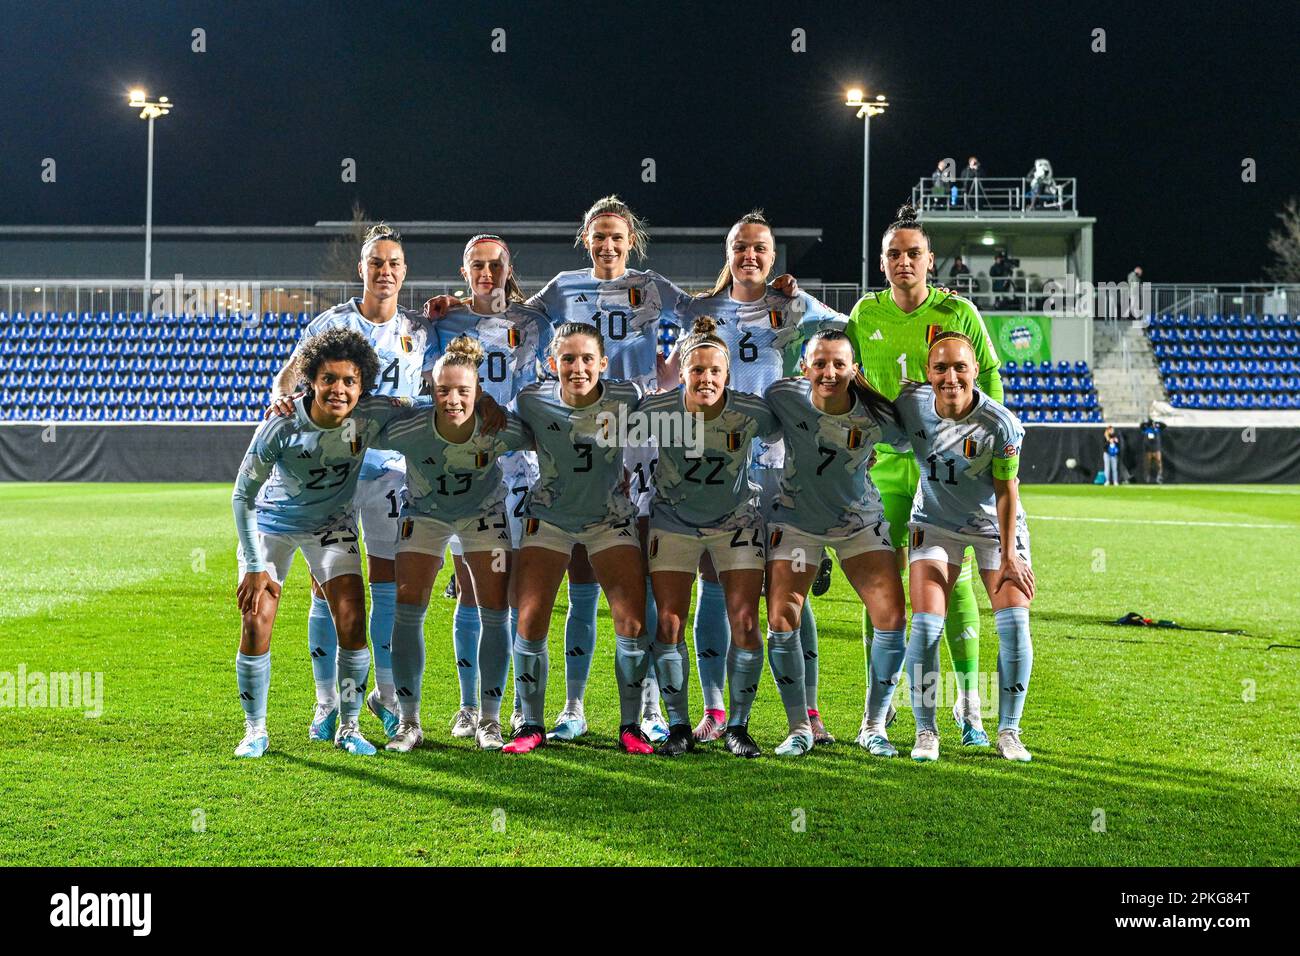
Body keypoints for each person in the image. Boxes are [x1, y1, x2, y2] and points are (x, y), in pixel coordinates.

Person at [677, 210, 845, 743]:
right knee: (713, 581)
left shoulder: (790, 305)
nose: (750, 255)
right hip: (715, 467)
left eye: (760, 248)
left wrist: (813, 376)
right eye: (740, 247)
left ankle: (810, 714)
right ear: (728, 254)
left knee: (786, 588)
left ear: (773, 258)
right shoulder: (702, 311)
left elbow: (844, 333)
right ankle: (715, 710)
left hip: (777, 465)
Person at [844, 203, 1005, 751]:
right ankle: (879, 707)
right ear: (883, 262)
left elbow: (992, 385)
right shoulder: (865, 316)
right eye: (894, 254)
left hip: (947, 472)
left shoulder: (960, 312)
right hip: (885, 469)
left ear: (930, 261)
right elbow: (850, 381)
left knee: (950, 580)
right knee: (881, 584)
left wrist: (982, 453)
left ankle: (967, 702)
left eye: (914, 253)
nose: (904, 262)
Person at [269, 224, 436, 744]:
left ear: (404, 272)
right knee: (329, 584)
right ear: (361, 269)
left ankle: (383, 697)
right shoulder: (332, 322)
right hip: (335, 468)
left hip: (391, 469)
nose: (385, 271)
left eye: (394, 263)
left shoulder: (421, 330)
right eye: (376, 263)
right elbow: (289, 376)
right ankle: (326, 702)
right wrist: (278, 398)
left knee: (385, 582)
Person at [232, 328, 416, 758]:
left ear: (361, 385)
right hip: (273, 525)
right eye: (329, 378)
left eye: (350, 381)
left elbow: (422, 408)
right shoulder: (280, 422)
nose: (339, 389)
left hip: (330, 525)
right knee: (256, 619)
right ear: (312, 379)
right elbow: (242, 496)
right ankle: (254, 730)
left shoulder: (371, 414)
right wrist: (256, 565)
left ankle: (349, 726)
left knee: (353, 620)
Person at [876, 331, 1035, 762]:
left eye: (960, 367)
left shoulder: (1001, 425)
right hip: (936, 522)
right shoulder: (913, 404)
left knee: (1015, 626)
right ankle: (926, 731)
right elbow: (877, 423)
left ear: (975, 372)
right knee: (926, 625)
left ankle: (1009, 731)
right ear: (928, 373)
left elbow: (1007, 490)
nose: (950, 377)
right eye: (941, 368)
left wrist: (1009, 556)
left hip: (993, 527)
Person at [379, 336, 535, 752]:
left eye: (463, 391)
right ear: (430, 389)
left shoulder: (498, 427)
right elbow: (360, 419)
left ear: (479, 392)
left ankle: (489, 719)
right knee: (408, 611)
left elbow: (550, 437)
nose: (452, 399)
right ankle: (408, 721)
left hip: (484, 517)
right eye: (444, 390)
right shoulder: (411, 426)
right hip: (424, 515)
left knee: (495, 613)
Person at [504, 323, 651, 755]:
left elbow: (667, 426)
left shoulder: (626, 398)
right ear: (553, 364)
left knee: (632, 622)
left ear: (603, 363)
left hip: (609, 518)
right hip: (550, 517)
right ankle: (530, 723)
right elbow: (502, 428)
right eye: (568, 358)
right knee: (530, 619)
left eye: (587, 358)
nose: (578, 367)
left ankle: (631, 725)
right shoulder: (532, 400)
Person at [764, 330, 909, 757]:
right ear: (804, 368)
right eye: (820, 364)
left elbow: (912, 436)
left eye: (839, 364)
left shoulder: (877, 415)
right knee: (781, 616)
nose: (829, 372)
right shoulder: (783, 397)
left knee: (892, 616)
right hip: (797, 523)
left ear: (853, 369)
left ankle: (874, 726)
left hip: (857, 524)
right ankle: (798, 728)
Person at [640, 318, 777, 757]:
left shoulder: (751, 412)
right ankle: (678, 723)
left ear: (728, 374)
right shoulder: (658, 411)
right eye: (696, 370)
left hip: (736, 522)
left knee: (746, 622)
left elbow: (800, 430)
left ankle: (737, 725)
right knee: (668, 623)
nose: (706, 378)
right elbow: (607, 437)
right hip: (674, 521)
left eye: (714, 371)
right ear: (682, 373)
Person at [434, 235, 552, 739]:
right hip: (467, 471)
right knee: (469, 592)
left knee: (517, 595)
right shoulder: (446, 322)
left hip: (521, 469)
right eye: (477, 265)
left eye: (495, 265)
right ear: (465, 272)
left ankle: (518, 710)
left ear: (509, 269)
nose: (487, 273)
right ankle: (469, 707)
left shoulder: (534, 323)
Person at [1139, 417, 1164, 484]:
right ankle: (1147, 477)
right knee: (1147, 464)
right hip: (1149, 450)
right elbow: (1141, 426)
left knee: (1159, 463)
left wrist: (1157, 423)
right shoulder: (1147, 430)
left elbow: (1164, 426)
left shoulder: (1157, 429)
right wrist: (1145, 423)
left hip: (1156, 449)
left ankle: (1159, 476)